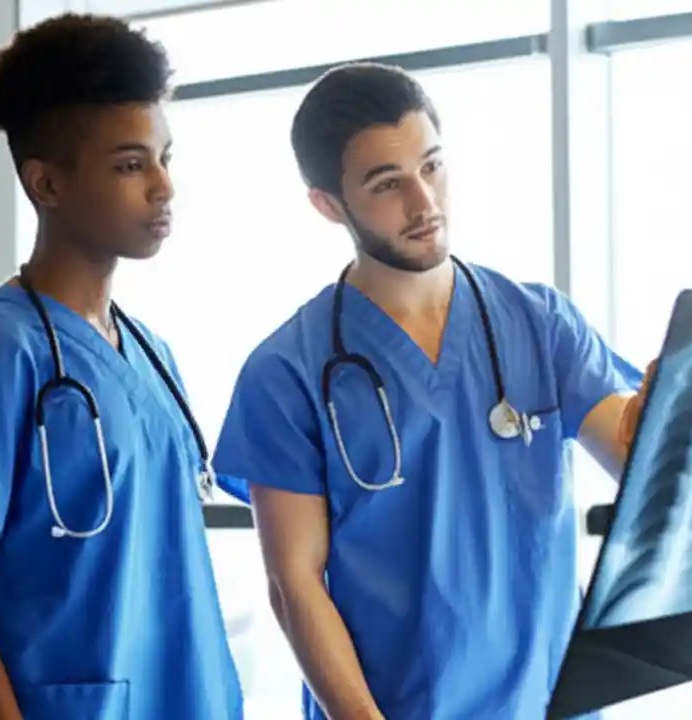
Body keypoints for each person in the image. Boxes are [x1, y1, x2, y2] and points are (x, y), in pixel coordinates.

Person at [211, 62, 652, 720]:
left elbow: (633, 455)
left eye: (432, 166)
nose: (424, 203)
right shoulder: (288, 372)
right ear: (329, 204)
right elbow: (294, 583)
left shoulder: (540, 324)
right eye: (387, 184)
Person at [0, 13, 244, 720]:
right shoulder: (2, 352)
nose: (163, 187)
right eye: (130, 164)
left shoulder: (154, 353)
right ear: (47, 184)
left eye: (164, 157)